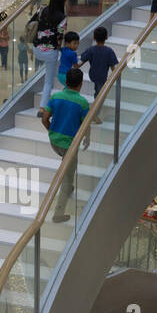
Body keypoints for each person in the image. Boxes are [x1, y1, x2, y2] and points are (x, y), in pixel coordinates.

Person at [41, 66, 90, 223]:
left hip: (54, 142)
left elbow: (44, 118)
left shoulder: (56, 97)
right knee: (67, 177)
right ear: (80, 84)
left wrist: (52, 132)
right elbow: (85, 125)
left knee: (66, 166)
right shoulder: (82, 103)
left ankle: (68, 188)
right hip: (70, 145)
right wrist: (87, 138)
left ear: (66, 81)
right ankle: (58, 213)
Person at [33, 0, 68, 114]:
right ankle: (42, 108)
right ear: (62, 1)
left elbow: (32, 23)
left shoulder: (42, 9)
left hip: (36, 48)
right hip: (50, 53)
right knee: (48, 81)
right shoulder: (62, 18)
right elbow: (60, 38)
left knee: (48, 73)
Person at [79, 26, 119, 123]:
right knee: (100, 95)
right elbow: (113, 67)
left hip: (93, 75)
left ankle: (93, 112)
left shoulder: (91, 49)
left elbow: (81, 62)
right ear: (106, 37)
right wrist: (116, 76)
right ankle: (94, 114)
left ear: (94, 38)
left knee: (98, 92)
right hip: (102, 77)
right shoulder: (109, 51)